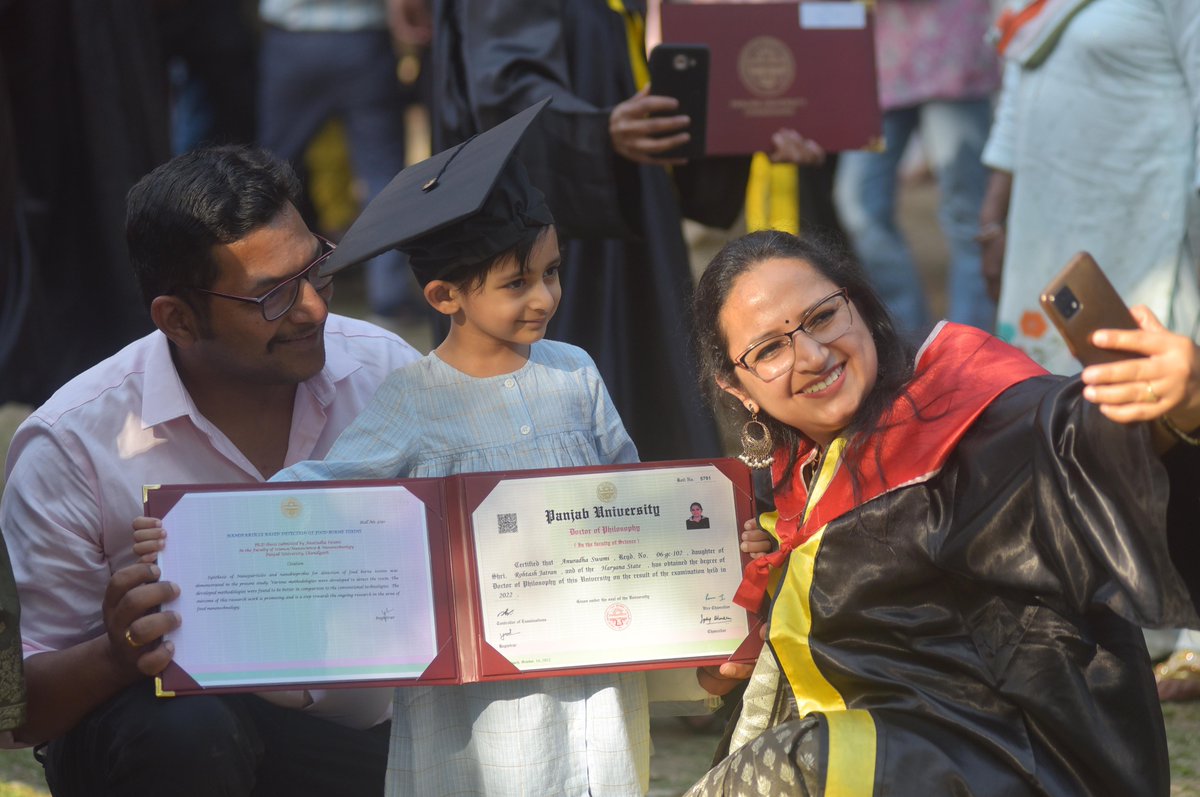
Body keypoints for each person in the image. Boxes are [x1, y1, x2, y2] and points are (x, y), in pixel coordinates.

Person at [682, 230, 1200, 795]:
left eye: (823, 317)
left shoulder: (975, 419)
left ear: (860, 306)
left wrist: (1178, 415)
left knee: (802, 758)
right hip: (897, 764)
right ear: (738, 389)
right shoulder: (789, 482)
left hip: (1023, 769)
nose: (811, 356)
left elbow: (1074, 446)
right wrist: (731, 653)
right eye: (769, 351)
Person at [0, 145, 421, 795]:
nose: (313, 309)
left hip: (358, 736)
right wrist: (118, 654)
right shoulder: (72, 446)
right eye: (273, 295)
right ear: (178, 319)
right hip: (166, 745)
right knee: (185, 729)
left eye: (318, 270)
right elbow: (19, 714)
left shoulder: (382, 372)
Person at [979, 0, 1200, 700]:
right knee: (1065, 407)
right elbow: (1019, 90)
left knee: (1163, 413)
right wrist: (994, 211)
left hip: (1147, 215)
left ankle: (1192, 634)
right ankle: (1115, 615)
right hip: (1050, 215)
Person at [427, 0, 754, 462]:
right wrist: (596, 131)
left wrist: (750, 123)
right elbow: (503, 87)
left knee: (654, 401)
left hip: (637, 213)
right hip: (551, 231)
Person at [832, 0, 999, 338]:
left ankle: (972, 346)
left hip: (953, 54)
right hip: (877, 64)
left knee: (968, 214)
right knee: (859, 205)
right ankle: (913, 342)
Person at [257, 0, 427, 325]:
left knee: (268, 173)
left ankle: (266, 287)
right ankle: (389, 298)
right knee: (382, 175)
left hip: (292, 39)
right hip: (362, 39)